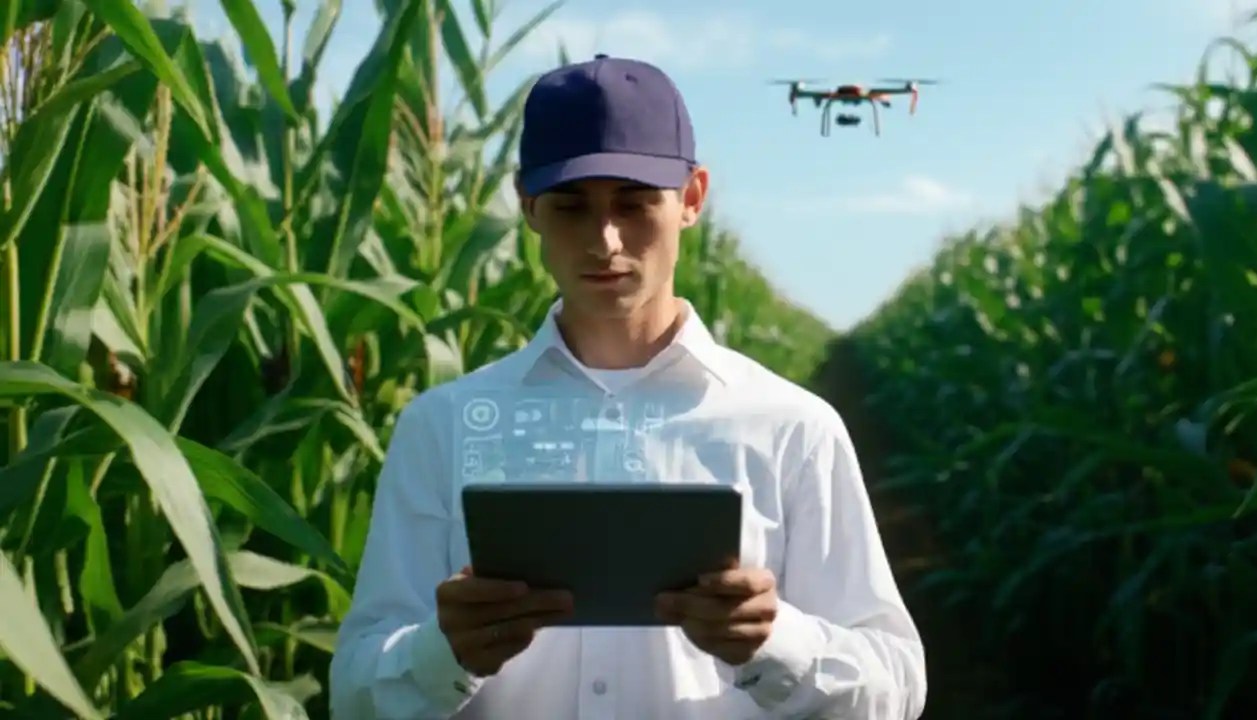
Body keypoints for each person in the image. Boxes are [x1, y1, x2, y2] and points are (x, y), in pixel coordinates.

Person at [329, 54, 927, 719]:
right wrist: (444, 655)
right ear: (527, 205)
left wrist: (775, 641)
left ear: (692, 199)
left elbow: (895, 688)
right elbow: (354, 693)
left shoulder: (791, 428)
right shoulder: (441, 427)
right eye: (571, 207)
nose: (605, 240)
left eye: (635, 204)